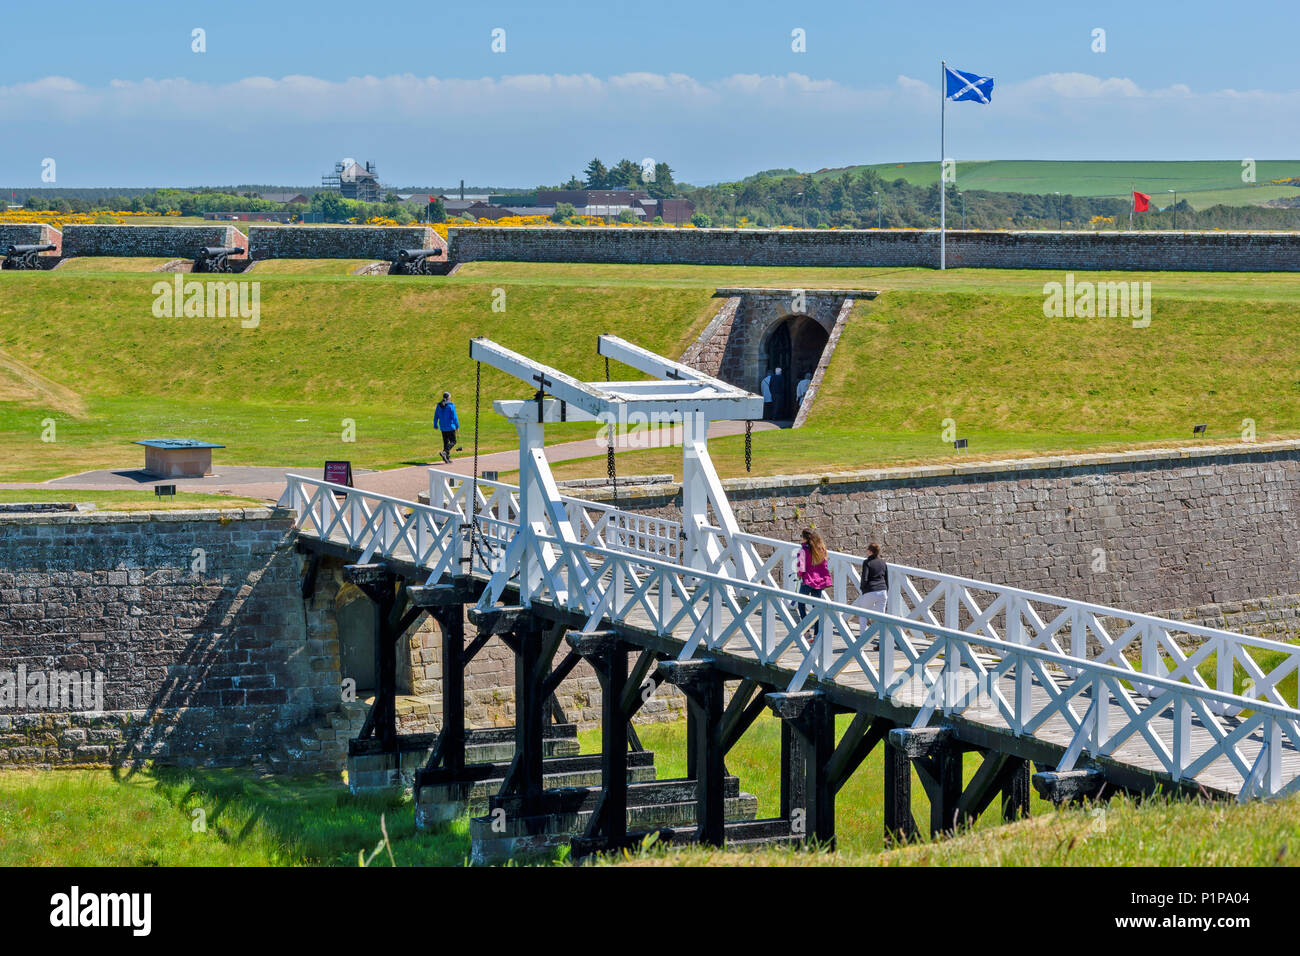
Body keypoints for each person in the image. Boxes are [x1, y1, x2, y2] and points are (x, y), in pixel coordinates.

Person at [795, 528, 833, 639]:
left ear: (805, 538)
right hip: (820, 581)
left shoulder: (804, 550)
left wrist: (799, 575)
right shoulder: (821, 548)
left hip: (808, 580)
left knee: (801, 604)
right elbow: (824, 565)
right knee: (816, 607)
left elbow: (801, 567)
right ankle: (817, 634)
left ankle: (806, 631)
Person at [855, 542, 888, 635]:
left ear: (870, 551)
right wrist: (886, 591)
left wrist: (863, 590)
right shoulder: (883, 562)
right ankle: (882, 640)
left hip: (871, 590)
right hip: (883, 591)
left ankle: (862, 637)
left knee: (863, 614)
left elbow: (864, 578)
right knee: (881, 617)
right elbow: (886, 579)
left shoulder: (867, 562)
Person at [434, 391, 460, 463]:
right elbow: (454, 417)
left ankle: (447, 458)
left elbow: (436, 416)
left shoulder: (438, 405)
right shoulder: (451, 405)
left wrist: (435, 425)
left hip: (443, 427)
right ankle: (444, 452)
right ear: (449, 398)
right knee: (453, 441)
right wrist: (457, 426)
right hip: (450, 427)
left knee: (446, 442)